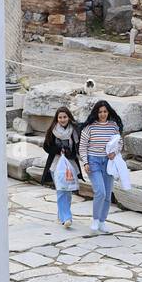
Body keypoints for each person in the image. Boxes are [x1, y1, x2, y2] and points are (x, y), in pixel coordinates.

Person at [78, 99, 124, 234]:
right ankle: (95, 219)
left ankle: (103, 221)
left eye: (105, 111)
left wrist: (114, 153)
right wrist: (85, 162)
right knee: (100, 191)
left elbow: (119, 143)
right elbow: (82, 147)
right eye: (100, 112)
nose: (102, 114)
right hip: (93, 162)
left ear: (108, 112)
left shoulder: (113, 126)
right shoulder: (89, 127)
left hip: (108, 163)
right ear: (96, 113)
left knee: (108, 194)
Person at [41, 106, 81, 229]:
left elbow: (77, 148)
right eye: (60, 117)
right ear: (57, 119)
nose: (62, 119)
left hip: (70, 165)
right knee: (61, 190)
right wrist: (58, 150)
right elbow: (46, 147)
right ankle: (66, 218)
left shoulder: (74, 131)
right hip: (56, 165)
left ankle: (61, 215)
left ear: (68, 117)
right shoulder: (52, 131)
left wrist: (70, 153)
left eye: (64, 117)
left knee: (67, 192)